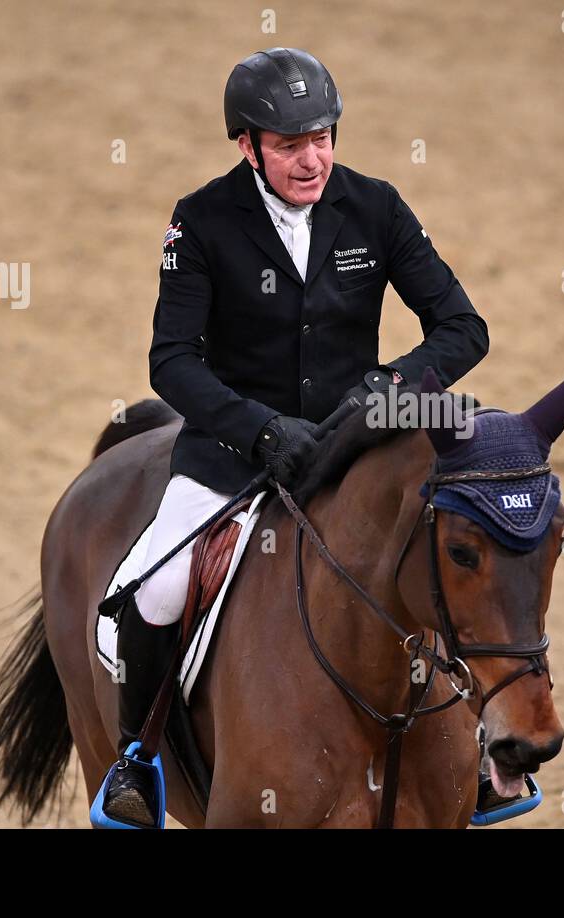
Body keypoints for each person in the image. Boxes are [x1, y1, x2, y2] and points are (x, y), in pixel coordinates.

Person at [96, 46, 489, 828]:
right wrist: (262, 429)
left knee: (447, 553)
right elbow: (171, 360)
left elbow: (462, 327)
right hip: (233, 454)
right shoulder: (202, 219)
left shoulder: (375, 207)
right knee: (158, 588)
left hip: (356, 448)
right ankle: (135, 761)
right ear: (248, 146)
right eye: (288, 145)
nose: (311, 159)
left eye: (322, 137)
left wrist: (391, 390)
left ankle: (478, 751)